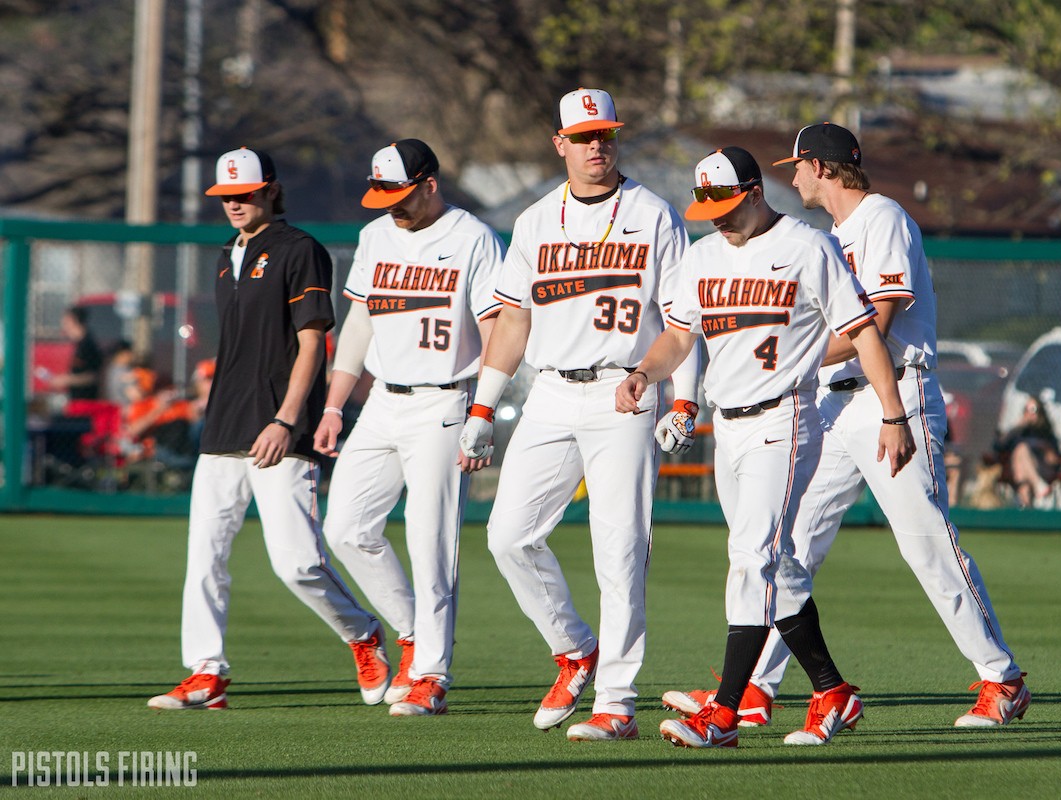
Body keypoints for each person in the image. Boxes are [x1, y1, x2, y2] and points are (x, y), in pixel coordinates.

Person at [662, 124, 1029, 743]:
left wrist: (786, 362)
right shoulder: (825, 237)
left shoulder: (881, 217)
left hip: (892, 397)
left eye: (799, 166)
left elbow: (876, 322)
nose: (794, 177)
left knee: (925, 542)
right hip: (829, 406)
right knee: (788, 550)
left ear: (824, 167)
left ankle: (1002, 677)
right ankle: (755, 688)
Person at [616, 146, 914, 749]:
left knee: (750, 557)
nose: (718, 218)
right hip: (729, 425)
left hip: (787, 417)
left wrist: (893, 412)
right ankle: (832, 690)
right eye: (709, 206)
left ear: (756, 191)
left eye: (727, 204)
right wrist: (645, 372)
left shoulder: (808, 247)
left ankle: (724, 712)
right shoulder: (702, 257)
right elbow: (679, 337)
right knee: (775, 565)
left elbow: (863, 335)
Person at [459, 88, 699, 742]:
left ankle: (616, 701)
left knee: (619, 550)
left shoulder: (653, 215)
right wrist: (483, 405)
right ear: (558, 142)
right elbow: (513, 317)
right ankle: (574, 649)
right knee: (507, 536)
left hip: (623, 393)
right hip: (553, 393)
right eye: (584, 136)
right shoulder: (536, 219)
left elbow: (682, 326)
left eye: (607, 134)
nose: (598, 146)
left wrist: (665, 387)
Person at [149, 147, 390, 711]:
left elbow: (313, 342)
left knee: (297, 563)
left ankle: (363, 634)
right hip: (224, 426)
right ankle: (206, 673)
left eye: (246, 192)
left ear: (271, 190)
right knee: (204, 555)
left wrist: (286, 418)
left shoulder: (299, 250)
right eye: (226, 195)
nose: (235, 202)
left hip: (280, 428)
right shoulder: (225, 254)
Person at [315, 139, 504, 718]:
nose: (392, 205)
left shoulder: (473, 236)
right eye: (384, 194)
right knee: (345, 528)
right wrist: (332, 406)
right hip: (382, 403)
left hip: (443, 402)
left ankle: (431, 675)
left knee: (430, 541)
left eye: (400, 194)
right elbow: (359, 323)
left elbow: (498, 325)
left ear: (429, 182)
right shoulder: (376, 236)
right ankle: (411, 632)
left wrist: (483, 412)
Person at [989, 395, 1061, 507]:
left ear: (1040, 413)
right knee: (1024, 483)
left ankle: (1023, 516)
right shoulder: (1019, 433)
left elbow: (1055, 460)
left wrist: (1043, 447)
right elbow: (998, 447)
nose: (1029, 414)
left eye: (1033, 410)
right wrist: (1017, 427)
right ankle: (1037, 486)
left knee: (1021, 450)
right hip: (1017, 472)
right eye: (1026, 410)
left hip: (1042, 469)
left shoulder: (1046, 434)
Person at [51, 305, 102, 400]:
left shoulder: (88, 345)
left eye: (66, 322)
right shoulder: (79, 344)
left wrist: (67, 380)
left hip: (86, 401)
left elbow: (94, 376)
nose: (63, 325)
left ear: (73, 321)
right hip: (76, 400)